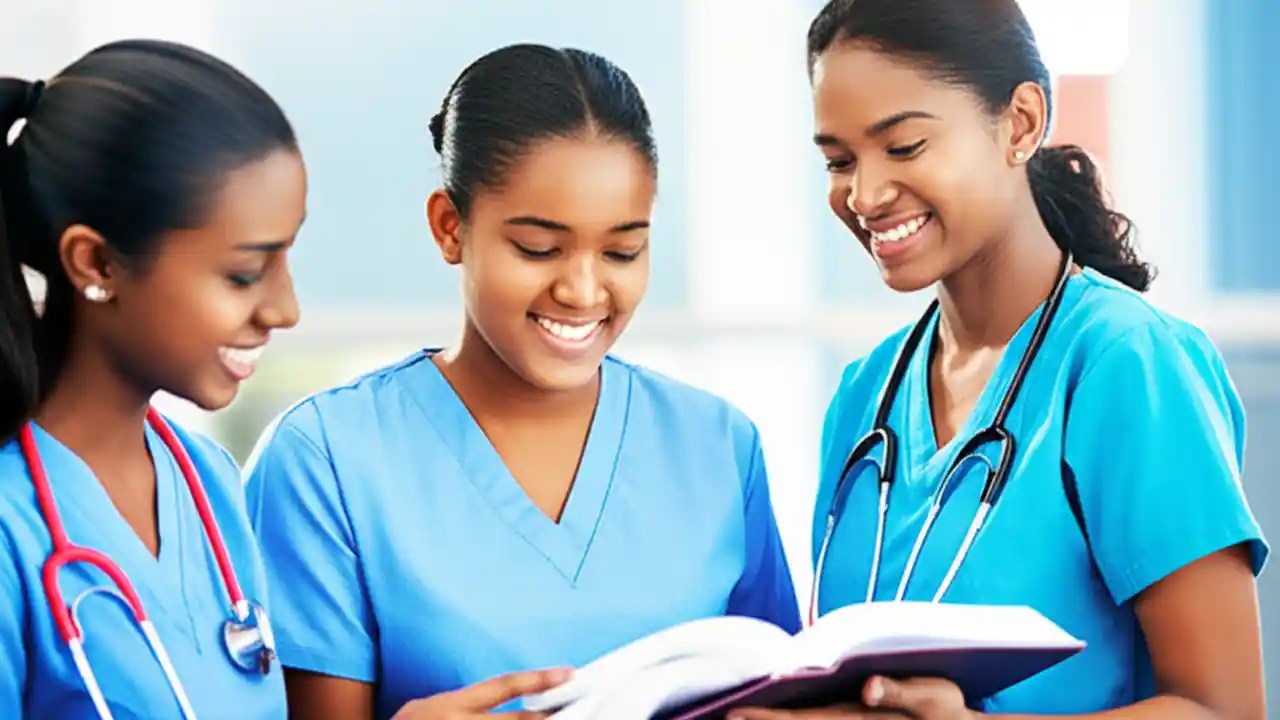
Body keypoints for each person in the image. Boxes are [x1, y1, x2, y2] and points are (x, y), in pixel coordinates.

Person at [728, 0, 1268, 718]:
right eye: (838, 160)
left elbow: (1223, 707)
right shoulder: (864, 396)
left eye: (905, 147)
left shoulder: (1127, 363)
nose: (864, 194)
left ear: (1020, 123)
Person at [243, 43, 801, 720]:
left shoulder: (717, 445)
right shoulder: (325, 459)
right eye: (539, 249)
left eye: (623, 250)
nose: (584, 289)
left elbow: (779, 697)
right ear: (451, 228)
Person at [0, 40, 305, 718]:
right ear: (98, 264)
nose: (286, 309)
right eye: (244, 273)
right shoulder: (10, 529)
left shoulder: (209, 482)